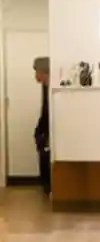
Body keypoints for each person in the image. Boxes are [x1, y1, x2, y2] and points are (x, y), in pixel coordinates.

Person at [33, 56, 50, 195]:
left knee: (45, 154)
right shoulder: (45, 87)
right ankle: (46, 185)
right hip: (44, 126)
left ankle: (48, 186)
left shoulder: (51, 87)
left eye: (37, 71)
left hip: (49, 127)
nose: (35, 76)